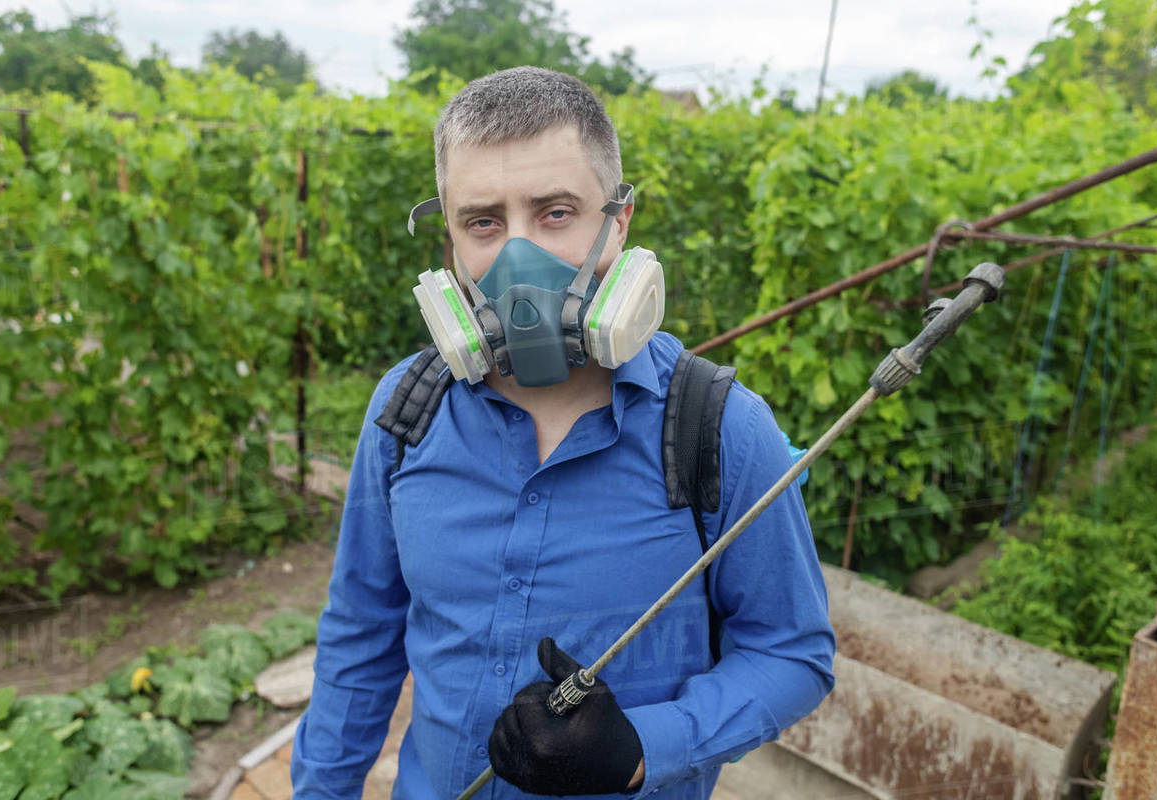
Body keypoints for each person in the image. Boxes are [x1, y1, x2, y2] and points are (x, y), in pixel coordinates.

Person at [290, 66, 835, 800]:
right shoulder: (406, 410)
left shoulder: (721, 428)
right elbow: (360, 632)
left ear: (620, 220)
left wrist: (643, 750)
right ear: (448, 237)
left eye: (555, 213)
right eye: (483, 221)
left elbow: (793, 653)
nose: (521, 258)